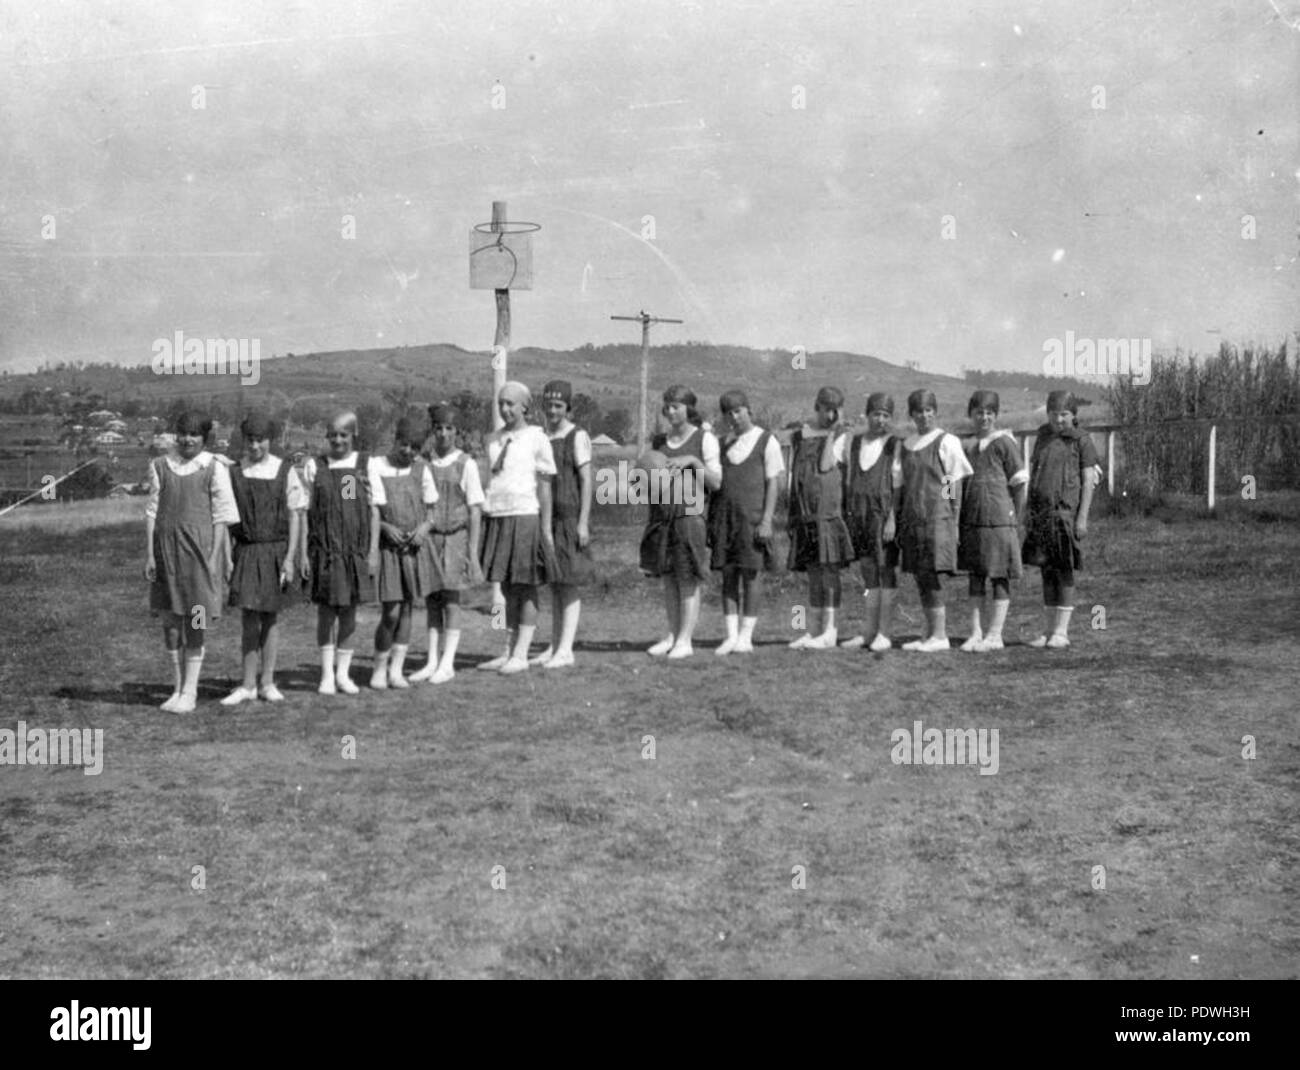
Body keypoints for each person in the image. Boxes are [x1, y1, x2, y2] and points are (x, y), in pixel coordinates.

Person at [144, 411, 239, 713]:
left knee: (195, 620)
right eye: (182, 433)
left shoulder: (214, 468)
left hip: (198, 556)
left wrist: (214, 559)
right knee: (171, 623)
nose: (187, 439)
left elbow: (222, 518)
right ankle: (176, 687)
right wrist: (149, 554)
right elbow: (151, 512)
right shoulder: (160, 465)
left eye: (194, 434)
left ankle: (191, 690)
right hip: (166, 554)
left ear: (205, 438)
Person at [221, 413, 305, 705]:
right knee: (248, 616)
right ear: (244, 441)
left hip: (275, 551)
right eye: (250, 440)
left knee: (270, 617)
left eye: (261, 440)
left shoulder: (285, 470)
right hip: (246, 549)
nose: (255, 446)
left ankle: (267, 682)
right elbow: (224, 515)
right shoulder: (233, 471)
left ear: (271, 441)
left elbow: (295, 515)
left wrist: (290, 558)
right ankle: (247, 684)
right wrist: (227, 557)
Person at [478, 382, 557, 675]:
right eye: (501, 403)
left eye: (511, 403)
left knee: (525, 587)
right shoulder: (491, 439)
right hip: (498, 516)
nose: (505, 409)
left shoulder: (536, 438)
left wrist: (545, 529)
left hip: (525, 517)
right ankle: (508, 650)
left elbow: (545, 488)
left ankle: (522, 654)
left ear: (525, 406)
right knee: (506, 586)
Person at [639, 385, 721, 659]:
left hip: (689, 516)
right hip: (662, 516)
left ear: (690, 409)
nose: (670, 411)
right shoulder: (659, 442)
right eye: (667, 406)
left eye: (676, 406)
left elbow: (716, 482)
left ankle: (685, 640)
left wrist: (693, 461)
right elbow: (648, 481)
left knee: (687, 579)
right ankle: (672, 635)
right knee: (669, 579)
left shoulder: (704, 439)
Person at [300, 412, 378, 695]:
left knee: (348, 612)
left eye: (343, 435)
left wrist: (371, 552)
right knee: (326, 612)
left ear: (353, 435)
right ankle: (326, 675)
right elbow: (306, 512)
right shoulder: (314, 466)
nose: (337, 440)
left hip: (354, 552)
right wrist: (304, 554)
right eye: (332, 434)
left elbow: (373, 511)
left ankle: (343, 674)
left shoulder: (364, 465)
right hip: (326, 550)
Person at [409, 403, 484, 684]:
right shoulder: (423, 462)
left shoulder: (467, 464)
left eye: (449, 428)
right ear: (432, 431)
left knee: (451, 600)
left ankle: (448, 662)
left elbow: (475, 510)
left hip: (455, 538)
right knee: (432, 600)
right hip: (430, 539)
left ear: (457, 432)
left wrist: (473, 554)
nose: (443, 434)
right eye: (438, 428)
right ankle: (431, 660)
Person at [708, 390, 784, 655]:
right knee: (728, 576)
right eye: (728, 413)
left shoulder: (766, 440)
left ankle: (746, 636)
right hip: (725, 520)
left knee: (751, 575)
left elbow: (773, 483)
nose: (734, 417)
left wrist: (766, 520)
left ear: (749, 411)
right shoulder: (722, 444)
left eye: (738, 411)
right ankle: (730, 636)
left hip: (752, 520)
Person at [1022, 390, 1100, 649]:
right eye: (1054, 414)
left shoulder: (1082, 441)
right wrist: (1028, 510)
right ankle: (1047, 630)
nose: (1059, 419)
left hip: (1065, 514)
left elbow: (1088, 481)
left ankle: (1062, 632)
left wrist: (1082, 518)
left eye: (1064, 414)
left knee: (1063, 570)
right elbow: (1034, 474)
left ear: (1074, 415)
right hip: (1041, 515)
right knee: (1047, 570)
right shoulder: (1042, 437)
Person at [897, 390, 973, 652]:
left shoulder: (946, 441)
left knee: (934, 575)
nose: (924, 415)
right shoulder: (906, 445)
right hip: (913, 519)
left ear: (935, 412)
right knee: (920, 575)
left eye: (929, 410)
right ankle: (929, 633)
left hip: (938, 518)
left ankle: (940, 636)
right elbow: (903, 485)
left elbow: (953, 482)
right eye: (918, 411)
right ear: (911, 415)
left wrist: (951, 515)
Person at [369, 416, 439, 689]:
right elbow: (373, 508)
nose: (408, 451)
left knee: (408, 610)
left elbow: (432, 511)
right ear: (395, 439)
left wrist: (424, 528)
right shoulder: (376, 465)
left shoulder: (422, 469)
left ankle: (396, 671)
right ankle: (378, 669)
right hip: (389, 549)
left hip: (413, 548)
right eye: (404, 444)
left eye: (414, 447)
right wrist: (385, 527)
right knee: (391, 612)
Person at [531, 380, 594, 669]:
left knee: (568, 583)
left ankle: (566, 650)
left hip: (569, 518)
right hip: (547, 519)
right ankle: (555, 644)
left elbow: (586, 479)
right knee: (555, 584)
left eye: (559, 406)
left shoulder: (577, 435)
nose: (553, 410)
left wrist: (582, 523)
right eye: (549, 405)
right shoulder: (541, 436)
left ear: (568, 408)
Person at [957, 390, 1027, 652]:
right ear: (971, 414)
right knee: (975, 577)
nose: (984, 418)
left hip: (1000, 521)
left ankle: (995, 635)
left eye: (989, 413)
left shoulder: (1004, 443)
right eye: (979, 413)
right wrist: (949, 505)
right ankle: (976, 633)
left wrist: (1015, 519)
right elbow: (954, 483)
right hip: (972, 521)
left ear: (996, 416)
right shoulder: (968, 446)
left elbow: (1020, 483)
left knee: (999, 576)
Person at [786, 386, 855, 650]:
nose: (831, 414)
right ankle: (812, 629)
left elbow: (826, 465)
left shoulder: (840, 436)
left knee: (829, 572)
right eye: (827, 409)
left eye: (836, 409)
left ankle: (830, 631)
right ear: (817, 407)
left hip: (828, 514)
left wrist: (832, 433)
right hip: (805, 514)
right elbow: (794, 477)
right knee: (813, 573)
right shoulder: (799, 435)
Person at [840, 393, 904, 652]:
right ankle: (868, 631)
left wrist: (892, 519)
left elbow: (898, 486)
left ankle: (884, 632)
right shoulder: (855, 442)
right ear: (867, 415)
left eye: (886, 415)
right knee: (867, 571)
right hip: (859, 513)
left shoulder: (894, 444)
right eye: (876, 414)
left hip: (882, 513)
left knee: (885, 569)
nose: (880, 420)